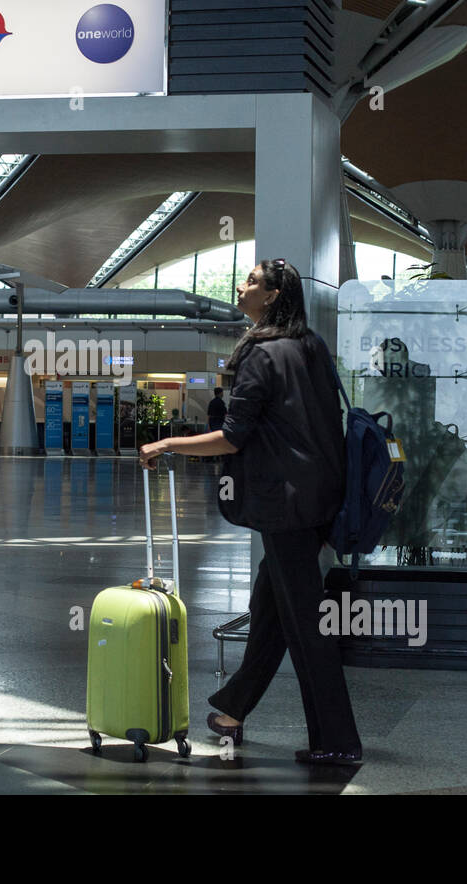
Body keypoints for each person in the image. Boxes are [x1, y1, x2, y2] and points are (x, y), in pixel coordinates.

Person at [139, 259, 361, 765]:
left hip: (285, 506)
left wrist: (167, 443)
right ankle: (234, 709)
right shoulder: (313, 347)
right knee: (271, 611)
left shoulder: (261, 355)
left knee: (307, 628)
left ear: (274, 295)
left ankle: (339, 742)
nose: (241, 286)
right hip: (319, 501)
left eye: (252, 282)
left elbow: (232, 438)